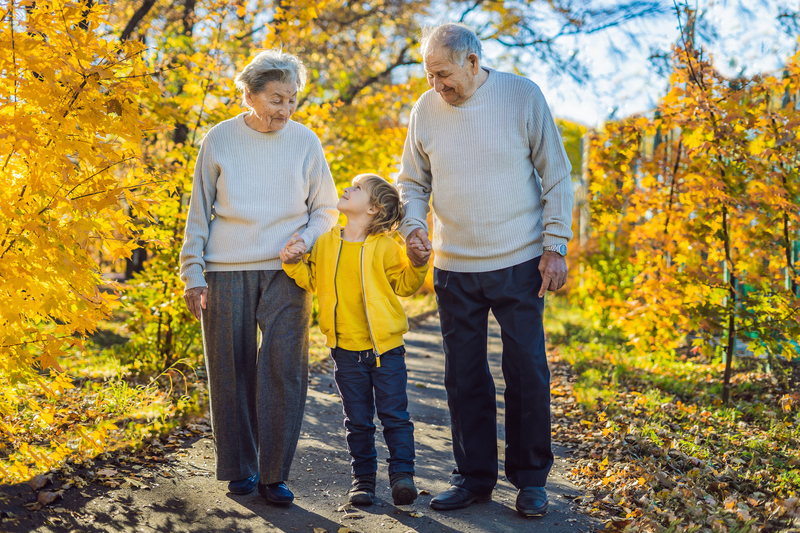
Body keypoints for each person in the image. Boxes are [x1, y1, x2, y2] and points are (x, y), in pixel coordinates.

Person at [397, 23, 574, 517]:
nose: (437, 85)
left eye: (444, 74)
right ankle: (473, 478)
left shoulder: (521, 96)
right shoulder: (425, 109)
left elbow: (556, 172)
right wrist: (413, 226)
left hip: (520, 260)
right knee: (464, 377)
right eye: (429, 76)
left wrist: (555, 245)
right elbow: (412, 181)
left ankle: (531, 480)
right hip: (455, 266)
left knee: (527, 372)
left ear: (472, 62)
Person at [179, 49, 338, 505]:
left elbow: (325, 209)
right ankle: (241, 467)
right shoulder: (219, 139)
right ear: (248, 95)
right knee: (230, 369)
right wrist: (193, 272)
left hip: (288, 270)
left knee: (284, 368)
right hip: (225, 269)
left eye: (292, 99)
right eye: (275, 99)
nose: (285, 110)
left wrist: (305, 239)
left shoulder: (305, 141)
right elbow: (199, 211)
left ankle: (274, 474)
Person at [281, 173, 430, 507]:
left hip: (385, 350)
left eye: (358, 188)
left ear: (373, 208)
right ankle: (362, 481)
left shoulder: (387, 247)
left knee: (394, 416)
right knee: (358, 421)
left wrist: (418, 263)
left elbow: (405, 285)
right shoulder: (326, 243)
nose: (348, 188)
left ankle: (402, 476)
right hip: (345, 350)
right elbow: (312, 280)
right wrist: (292, 264)